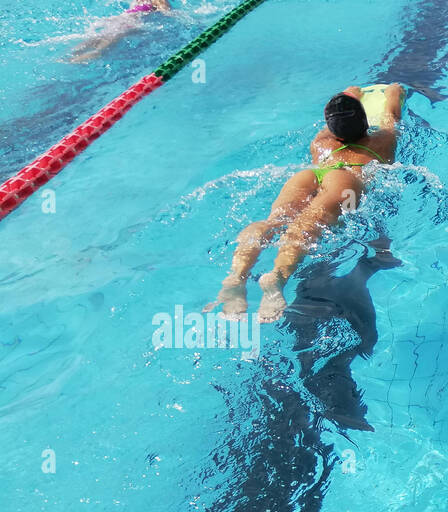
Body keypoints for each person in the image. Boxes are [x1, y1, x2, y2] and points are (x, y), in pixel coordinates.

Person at [208, 84, 405, 323]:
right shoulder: (381, 141)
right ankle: (277, 277)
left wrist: (352, 93)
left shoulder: (321, 141)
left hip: (307, 176)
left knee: (274, 221)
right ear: (364, 123)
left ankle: (236, 277)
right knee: (310, 222)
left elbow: (335, 115)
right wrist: (395, 92)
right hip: (344, 179)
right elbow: (391, 116)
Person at [69, 0, 172, 63]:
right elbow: (168, 13)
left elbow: (166, 11)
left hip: (124, 23)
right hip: (123, 22)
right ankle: (71, 59)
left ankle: (70, 60)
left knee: (99, 44)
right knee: (96, 44)